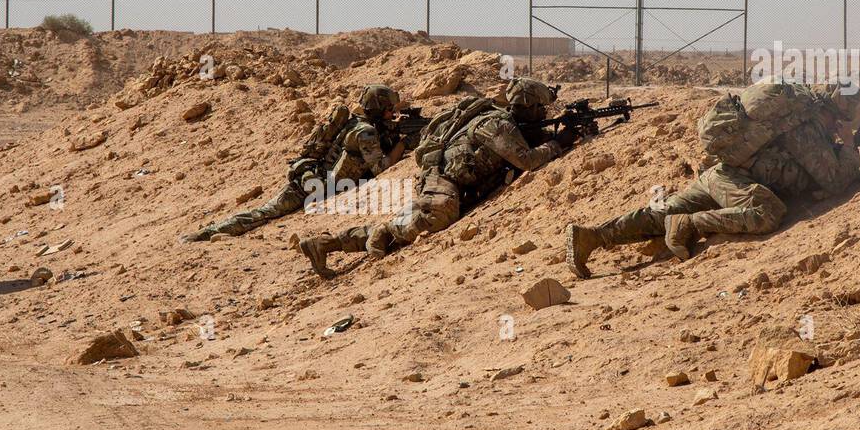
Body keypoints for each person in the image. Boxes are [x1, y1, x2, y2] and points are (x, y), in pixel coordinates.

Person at [565, 85, 860, 278]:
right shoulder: (804, 128)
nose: (836, 127)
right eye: (836, 120)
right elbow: (834, 181)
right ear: (827, 111)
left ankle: (590, 236)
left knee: (661, 214)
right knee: (767, 212)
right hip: (735, 182)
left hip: (719, 173)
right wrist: (848, 146)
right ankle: (691, 224)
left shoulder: (791, 118)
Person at [298, 77, 575, 278]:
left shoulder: (509, 122)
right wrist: (558, 143)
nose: (544, 113)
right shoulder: (498, 124)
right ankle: (384, 231)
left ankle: (326, 243)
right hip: (443, 180)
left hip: (451, 181)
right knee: (436, 217)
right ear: (530, 106)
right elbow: (525, 161)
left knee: (404, 229)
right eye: (541, 108)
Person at [181, 84, 404, 241]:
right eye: (389, 108)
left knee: (265, 212)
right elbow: (381, 167)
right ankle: (205, 234)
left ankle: (206, 233)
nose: (392, 112)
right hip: (313, 187)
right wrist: (402, 145)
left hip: (315, 177)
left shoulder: (357, 122)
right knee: (264, 213)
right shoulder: (365, 133)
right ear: (380, 108)